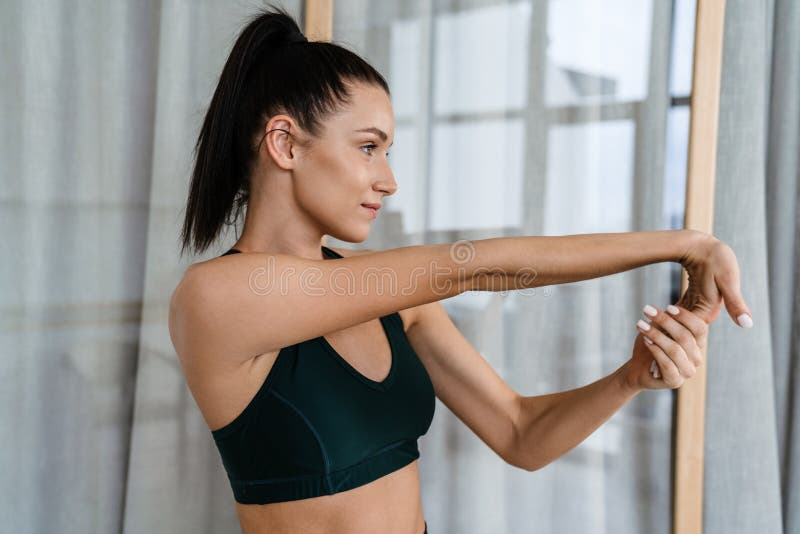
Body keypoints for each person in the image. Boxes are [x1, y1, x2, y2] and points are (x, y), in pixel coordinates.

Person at [167, 4, 753, 534]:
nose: (388, 180)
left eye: (388, 152)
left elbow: (520, 433)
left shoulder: (393, 296)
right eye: (369, 147)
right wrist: (686, 244)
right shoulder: (215, 298)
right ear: (286, 144)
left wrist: (630, 377)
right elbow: (471, 267)